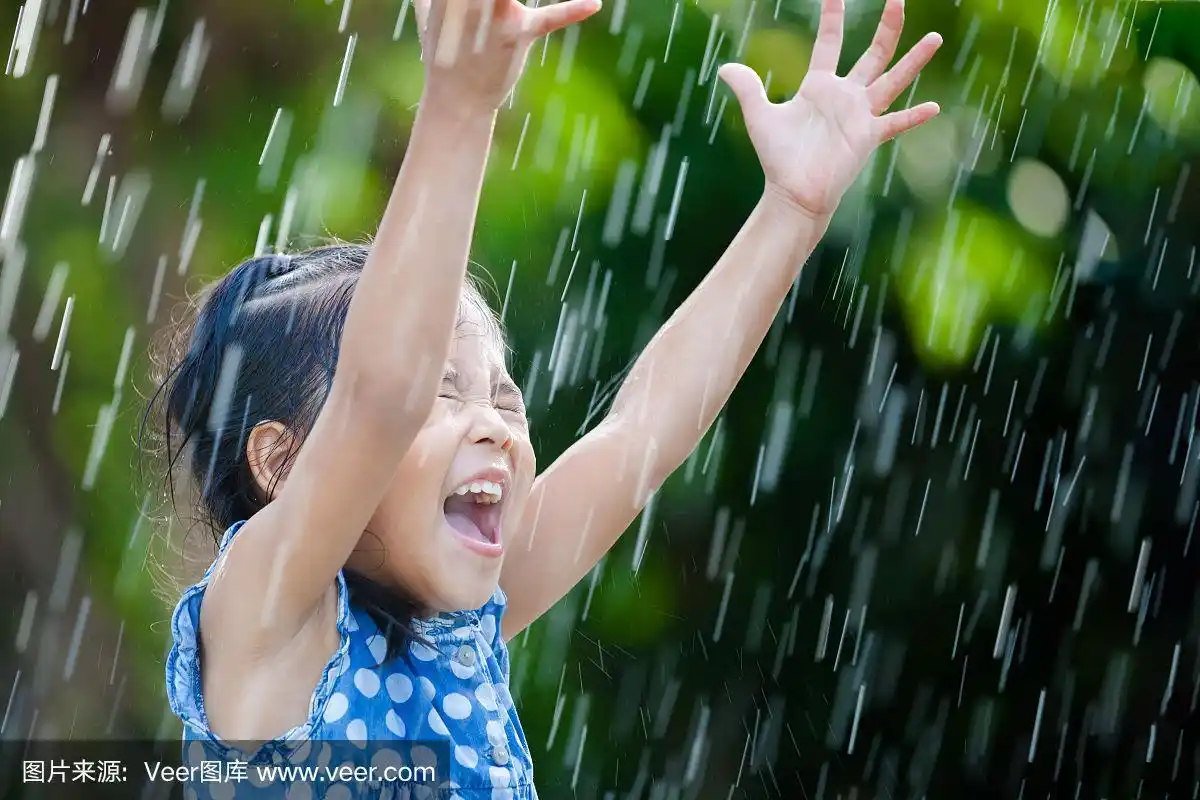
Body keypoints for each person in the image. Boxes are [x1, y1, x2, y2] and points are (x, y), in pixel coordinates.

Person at [149, 0, 942, 796]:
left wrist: (791, 212)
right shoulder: (266, 621)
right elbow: (379, 398)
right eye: (444, 391)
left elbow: (638, 437)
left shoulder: (450, 629)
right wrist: (462, 103)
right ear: (282, 461)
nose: (494, 425)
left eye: (503, 396)